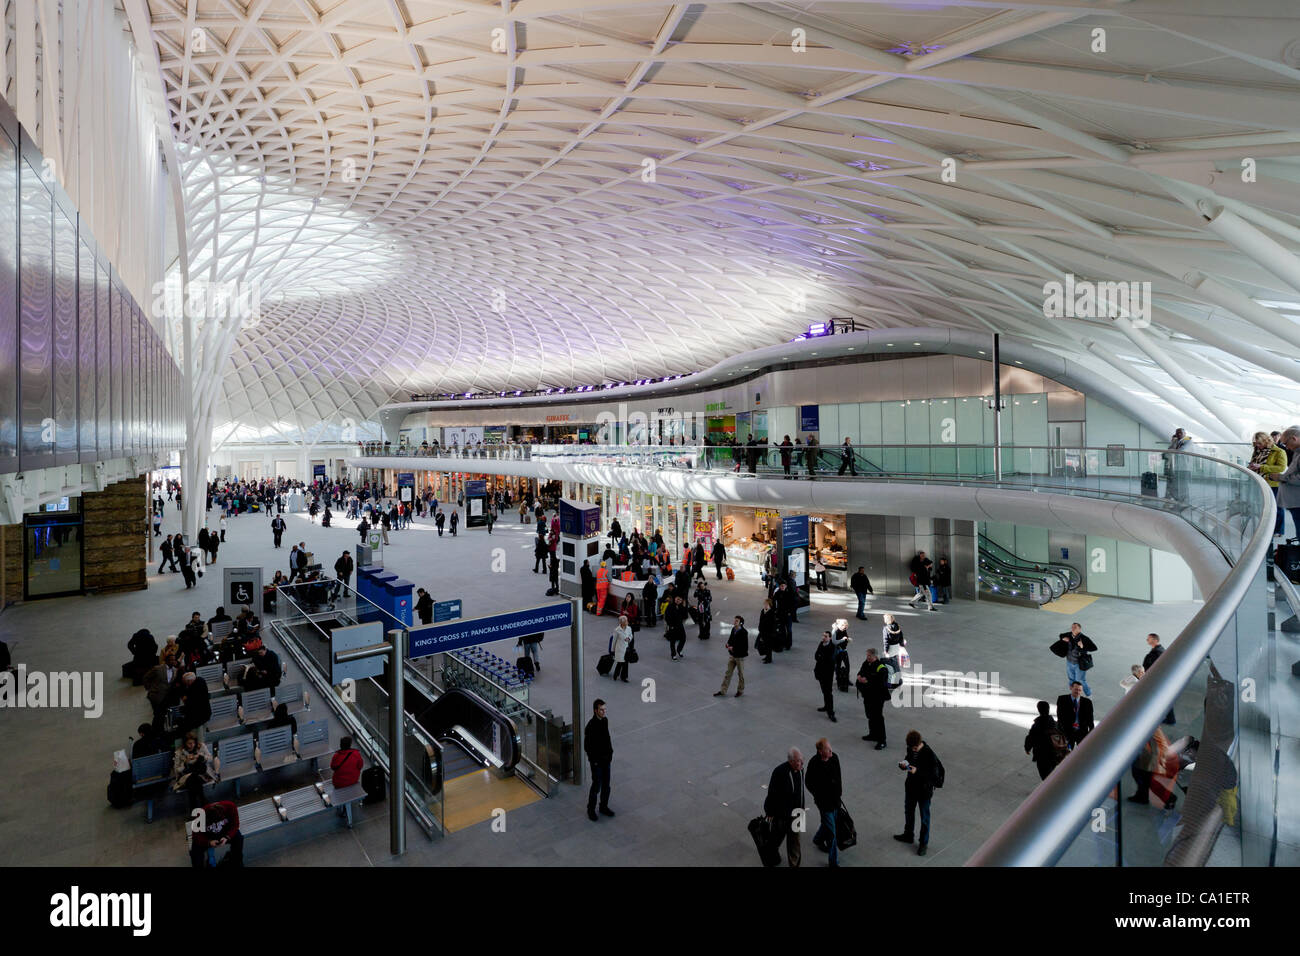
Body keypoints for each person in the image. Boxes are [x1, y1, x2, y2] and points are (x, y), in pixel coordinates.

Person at [894, 730, 940, 856]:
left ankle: (923, 843)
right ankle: (908, 835)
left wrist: (917, 771)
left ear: (919, 743)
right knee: (909, 811)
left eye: (914, 748)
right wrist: (904, 765)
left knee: (924, 817)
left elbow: (934, 776)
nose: (913, 750)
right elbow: (908, 759)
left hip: (924, 791)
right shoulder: (911, 749)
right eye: (911, 748)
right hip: (911, 788)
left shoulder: (929, 754)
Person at [805, 738, 842, 866]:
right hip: (824, 804)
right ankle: (833, 862)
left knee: (828, 823)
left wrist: (838, 793)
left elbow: (838, 777)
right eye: (828, 749)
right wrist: (819, 796)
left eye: (830, 748)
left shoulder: (834, 758)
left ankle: (818, 839)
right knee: (832, 833)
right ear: (821, 751)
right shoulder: (814, 763)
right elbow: (808, 782)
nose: (831, 751)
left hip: (835, 801)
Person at [1247, 431, 1288, 537]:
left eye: (1260, 443)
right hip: (1258, 481)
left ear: (1266, 441)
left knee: (1277, 507)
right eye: (1256, 443)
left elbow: (1281, 468)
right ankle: (1265, 528)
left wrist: (1261, 467)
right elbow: (1254, 461)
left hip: (1273, 484)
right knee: (1262, 507)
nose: (1258, 446)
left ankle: (1278, 530)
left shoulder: (1279, 451)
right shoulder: (1257, 450)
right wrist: (1251, 466)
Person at [584, 699, 614, 821]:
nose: (604, 712)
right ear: (595, 710)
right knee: (596, 786)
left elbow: (607, 738)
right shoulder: (591, 726)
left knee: (606, 785)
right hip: (597, 762)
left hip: (606, 760)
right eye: (601, 710)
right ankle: (591, 810)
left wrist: (610, 753)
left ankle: (603, 806)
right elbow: (587, 746)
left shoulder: (605, 721)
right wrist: (594, 761)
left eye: (604, 709)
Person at [855, 648, 891, 749]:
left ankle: (882, 741)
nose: (867, 657)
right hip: (868, 695)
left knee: (878, 718)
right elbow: (861, 672)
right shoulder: (866, 663)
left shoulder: (881, 668)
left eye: (869, 656)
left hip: (878, 697)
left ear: (875, 656)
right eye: (867, 655)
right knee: (870, 715)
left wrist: (867, 681)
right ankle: (873, 734)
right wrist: (859, 677)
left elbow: (881, 682)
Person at [190, 800, 242, 868]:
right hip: (207, 835)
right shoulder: (200, 815)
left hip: (224, 832)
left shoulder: (230, 806)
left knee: (238, 837)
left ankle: (236, 861)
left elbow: (235, 825)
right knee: (195, 851)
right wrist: (208, 842)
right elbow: (196, 836)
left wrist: (227, 837)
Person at [1024, 700, 1065, 780]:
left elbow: (1030, 738)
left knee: (1045, 776)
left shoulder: (1036, 726)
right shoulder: (1055, 723)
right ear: (1048, 709)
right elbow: (1063, 735)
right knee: (1051, 771)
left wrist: (1027, 748)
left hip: (1042, 756)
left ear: (1038, 710)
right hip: (1054, 754)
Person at [173, 732, 214, 809]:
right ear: (185, 743)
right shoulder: (179, 752)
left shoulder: (201, 746)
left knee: (194, 779)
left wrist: (201, 757)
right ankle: (204, 803)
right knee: (194, 778)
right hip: (186, 777)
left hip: (202, 775)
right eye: (189, 743)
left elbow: (210, 758)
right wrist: (185, 763)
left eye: (193, 743)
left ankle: (194, 809)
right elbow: (177, 770)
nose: (192, 745)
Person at [1054, 622, 1097, 695]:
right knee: (1071, 679)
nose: (1073, 628)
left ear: (1079, 629)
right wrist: (1063, 639)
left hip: (1079, 664)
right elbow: (1061, 635)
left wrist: (1083, 646)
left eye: (1075, 627)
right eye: (1072, 627)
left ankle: (1088, 693)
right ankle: (1073, 693)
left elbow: (1094, 648)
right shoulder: (1069, 634)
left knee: (1080, 680)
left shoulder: (1084, 638)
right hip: (1069, 662)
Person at [1143, 633, 1176, 725]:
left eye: (1149, 638)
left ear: (1155, 640)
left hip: (1158, 680)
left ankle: (1168, 719)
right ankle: (1170, 719)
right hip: (1161, 679)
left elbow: (1154, 667)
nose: (1147, 640)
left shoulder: (1157, 653)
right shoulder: (1160, 650)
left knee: (1159, 698)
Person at [714, 615, 748, 698]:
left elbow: (744, 646)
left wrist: (734, 648)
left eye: (736, 621)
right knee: (728, 674)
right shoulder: (733, 629)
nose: (734, 622)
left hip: (739, 657)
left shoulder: (744, 632)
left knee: (741, 675)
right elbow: (731, 639)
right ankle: (723, 691)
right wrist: (728, 644)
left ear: (741, 623)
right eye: (734, 620)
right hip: (732, 655)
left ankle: (740, 690)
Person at [1276, 427, 1300, 537]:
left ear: (1294, 438)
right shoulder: (1297, 452)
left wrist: (1281, 477)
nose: (1286, 447)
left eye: (1285, 443)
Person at [1056, 682, 1094, 749]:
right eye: (1076, 689)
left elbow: (1090, 719)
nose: (1078, 692)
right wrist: (1061, 732)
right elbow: (1060, 716)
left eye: (1080, 690)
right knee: (1067, 752)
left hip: (1082, 732)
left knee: (1082, 751)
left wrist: (1091, 733)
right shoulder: (1062, 699)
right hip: (1067, 732)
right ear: (1071, 688)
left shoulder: (1088, 702)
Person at [176, 671, 212, 736]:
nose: (187, 685)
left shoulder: (195, 688)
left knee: (198, 734)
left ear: (189, 681)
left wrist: (185, 700)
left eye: (186, 683)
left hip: (199, 716)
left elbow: (191, 703)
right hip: (205, 713)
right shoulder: (200, 680)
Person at [1163, 427, 1192, 503]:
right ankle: (1173, 500)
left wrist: (1172, 450)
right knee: (1173, 485)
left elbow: (1181, 451)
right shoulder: (1175, 441)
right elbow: (1168, 450)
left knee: (1183, 486)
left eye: (1180, 433)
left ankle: (1184, 502)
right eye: (1177, 433)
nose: (1178, 434)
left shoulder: (1188, 441)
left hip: (1183, 468)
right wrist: (1172, 442)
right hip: (1174, 467)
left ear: (1185, 434)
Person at [813, 631, 837, 722]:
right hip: (820, 672)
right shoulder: (821, 644)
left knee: (828, 693)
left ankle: (831, 712)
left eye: (826, 636)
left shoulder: (832, 647)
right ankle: (826, 706)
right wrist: (821, 657)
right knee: (824, 691)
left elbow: (829, 660)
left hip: (827, 674)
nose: (823, 637)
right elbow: (816, 656)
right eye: (823, 635)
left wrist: (821, 657)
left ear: (830, 638)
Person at [664, 594, 689, 661]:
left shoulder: (681, 606)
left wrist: (684, 607)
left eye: (680, 600)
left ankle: (679, 649)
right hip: (672, 626)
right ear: (675, 598)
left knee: (683, 638)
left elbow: (685, 616)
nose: (678, 601)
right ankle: (673, 654)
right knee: (673, 641)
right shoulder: (670, 606)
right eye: (677, 599)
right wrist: (670, 625)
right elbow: (667, 617)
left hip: (680, 625)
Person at [610, 616, 633, 683]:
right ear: (622, 623)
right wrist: (612, 650)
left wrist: (629, 639)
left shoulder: (629, 628)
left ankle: (623, 677)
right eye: (626, 621)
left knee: (624, 663)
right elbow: (614, 641)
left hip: (626, 649)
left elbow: (631, 635)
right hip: (619, 649)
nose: (627, 622)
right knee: (621, 663)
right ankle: (617, 675)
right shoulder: (617, 630)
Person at [756, 597, 778, 663]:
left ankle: (769, 659)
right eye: (765, 604)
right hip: (763, 631)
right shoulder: (763, 611)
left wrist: (772, 633)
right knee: (765, 645)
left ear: (770, 605)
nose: (765, 605)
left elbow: (774, 624)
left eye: (766, 604)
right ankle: (766, 657)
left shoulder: (772, 613)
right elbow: (760, 620)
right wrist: (759, 628)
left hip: (769, 632)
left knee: (768, 646)